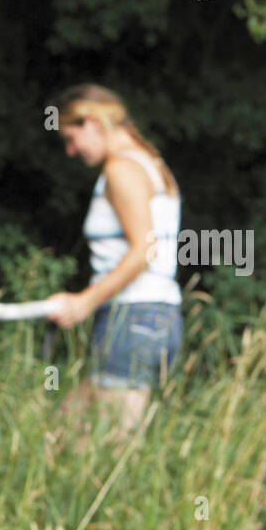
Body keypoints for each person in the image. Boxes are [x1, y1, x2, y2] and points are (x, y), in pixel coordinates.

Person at [46, 84, 183, 438]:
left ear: (93, 121)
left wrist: (82, 303)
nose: (70, 150)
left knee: (110, 450)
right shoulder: (151, 163)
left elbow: (144, 250)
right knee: (60, 431)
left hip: (134, 317)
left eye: (72, 137)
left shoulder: (121, 169)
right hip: (154, 317)